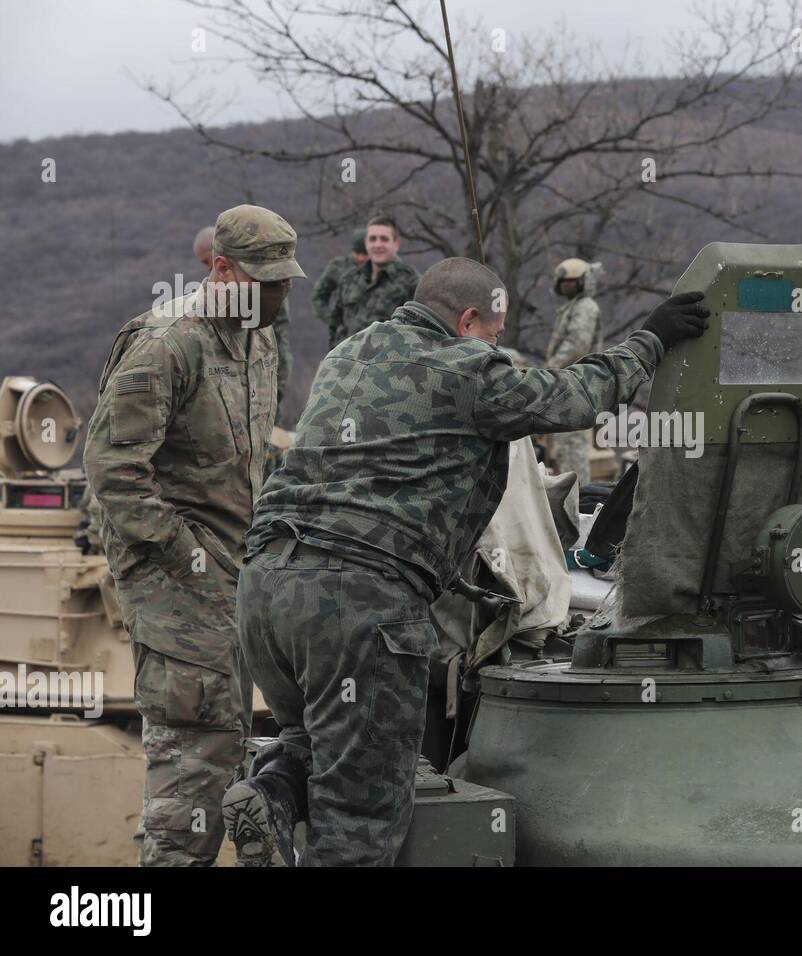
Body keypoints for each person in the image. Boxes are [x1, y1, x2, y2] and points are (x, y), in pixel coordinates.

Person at [223, 256, 708, 866]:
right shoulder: (466, 368)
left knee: (313, 745)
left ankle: (270, 792)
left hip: (265, 584)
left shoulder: (350, 352)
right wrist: (652, 338)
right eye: (495, 335)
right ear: (470, 319)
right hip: (357, 600)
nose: (497, 347)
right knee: (361, 815)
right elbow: (574, 397)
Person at [85, 204, 303, 865]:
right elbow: (113, 471)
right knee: (194, 751)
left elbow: (257, 448)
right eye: (264, 279)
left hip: (239, 575)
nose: (277, 293)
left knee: (230, 741)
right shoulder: (166, 343)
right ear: (221, 268)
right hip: (175, 581)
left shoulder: (261, 336)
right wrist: (188, 554)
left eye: (284, 279)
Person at [196, 224, 292, 421]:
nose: (208, 268)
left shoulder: (263, 293)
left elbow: (280, 342)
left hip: (264, 378)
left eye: (208, 261)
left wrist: (277, 389)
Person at [545, 258, 605, 485]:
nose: (566, 286)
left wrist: (550, 368)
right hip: (570, 386)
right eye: (564, 282)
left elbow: (577, 345)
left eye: (572, 282)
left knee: (572, 452)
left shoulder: (585, 307)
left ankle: (578, 505)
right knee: (565, 451)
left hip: (576, 388)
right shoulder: (575, 307)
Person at [326, 215, 418, 344]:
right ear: (366, 243)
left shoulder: (411, 281)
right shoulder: (349, 279)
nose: (378, 244)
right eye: (373, 239)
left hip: (387, 360)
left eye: (384, 239)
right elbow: (335, 323)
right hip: (348, 360)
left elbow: (418, 330)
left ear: (396, 243)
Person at [310, 228, 368, 347]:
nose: (361, 258)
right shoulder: (339, 267)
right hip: (346, 337)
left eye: (365, 254)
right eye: (358, 253)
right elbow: (318, 296)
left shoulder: (381, 270)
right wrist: (333, 320)